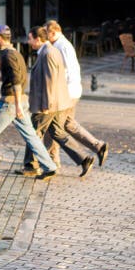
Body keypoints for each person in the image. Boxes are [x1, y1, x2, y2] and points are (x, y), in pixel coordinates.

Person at [0, 25, 58, 182]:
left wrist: (18, 105)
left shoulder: (7, 55)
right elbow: (19, 74)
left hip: (10, 103)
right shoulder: (15, 53)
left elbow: (16, 81)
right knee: (31, 136)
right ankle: (50, 166)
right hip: (19, 102)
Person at [19, 26, 94, 178]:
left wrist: (46, 105)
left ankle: (31, 166)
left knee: (33, 132)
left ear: (38, 39)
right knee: (57, 132)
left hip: (48, 105)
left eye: (30, 38)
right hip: (56, 103)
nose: (28, 42)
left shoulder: (48, 53)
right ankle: (84, 159)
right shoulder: (49, 51)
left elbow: (50, 81)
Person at [45, 20, 109, 167]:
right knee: (68, 124)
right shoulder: (62, 45)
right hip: (72, 91)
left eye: (46, 33)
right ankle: (98, 146)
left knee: (54, 127)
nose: (45, 37)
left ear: (53, 32)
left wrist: (59, 94)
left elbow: (66, 72)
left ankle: (54, 161)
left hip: (67, 93)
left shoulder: (61, 46)